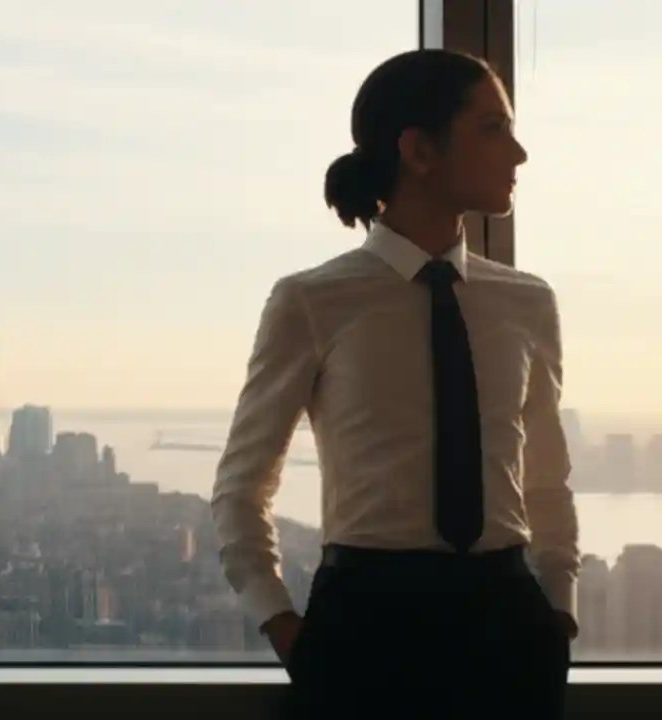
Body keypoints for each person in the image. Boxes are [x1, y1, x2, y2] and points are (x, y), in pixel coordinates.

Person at [210, 49, 579, 719]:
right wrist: (289, 632)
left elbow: (547, 478)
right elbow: (241, 487)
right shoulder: (314, 300)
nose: (518, 154)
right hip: (366, 628)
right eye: (493, 128)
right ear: (419, 150)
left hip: (510, 628)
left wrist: (558, 616)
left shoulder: (527, 302)